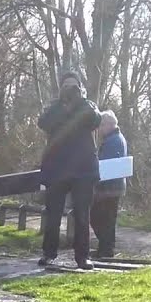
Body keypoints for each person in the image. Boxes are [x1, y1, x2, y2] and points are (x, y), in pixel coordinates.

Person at [37, 71, 102, 269]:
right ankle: (49, 253)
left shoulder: (87, 106)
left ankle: (83, 257)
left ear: (80, 89)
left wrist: (78, 101)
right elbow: (43, 123)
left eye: (74, 86)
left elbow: (95, 120)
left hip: (83, 170)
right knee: (53, 214)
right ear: (60, 89)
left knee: (82, 215)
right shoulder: (54, 108)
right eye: (67, 86)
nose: (71, 90)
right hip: (58, 168)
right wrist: (63, 105)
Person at [91, 110, 128, 258]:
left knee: (99, 217)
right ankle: (105, 248)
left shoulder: (113, 141)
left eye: (101, 125)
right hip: (114, 186)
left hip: (109, 188)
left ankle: (106, 248)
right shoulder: (116, 138)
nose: (99, 129)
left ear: (109, 125)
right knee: (107, 219)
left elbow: (106, 165)